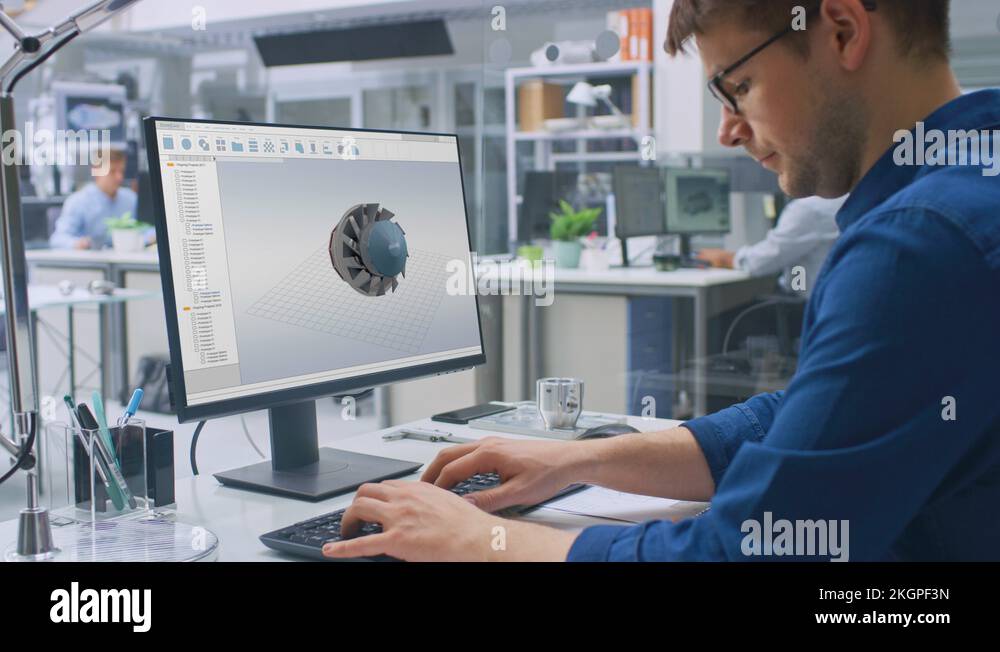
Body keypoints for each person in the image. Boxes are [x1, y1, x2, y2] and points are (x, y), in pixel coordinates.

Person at [323, 0, 1000, 562]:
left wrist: (486, 539)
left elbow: (746, 553)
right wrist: (580, 461)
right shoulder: (968, 185)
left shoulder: (920, 244)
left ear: (844, 30)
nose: (728, 129)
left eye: (737, 87)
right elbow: (809, 420)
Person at [697, 195, 845, 297]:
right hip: (830, 297)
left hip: (802, 302)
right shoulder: (847, 200)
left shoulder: (809, 208)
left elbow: (761, 262)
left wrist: (727, 259)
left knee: (725, 318)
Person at [49, 148, 146, 250]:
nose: (119, 177)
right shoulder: (78, 201)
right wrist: (77, 244)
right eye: (112, 171)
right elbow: (58, 240)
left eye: (121, 171)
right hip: (92, 263)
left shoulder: (131, 199)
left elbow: (146, 229)